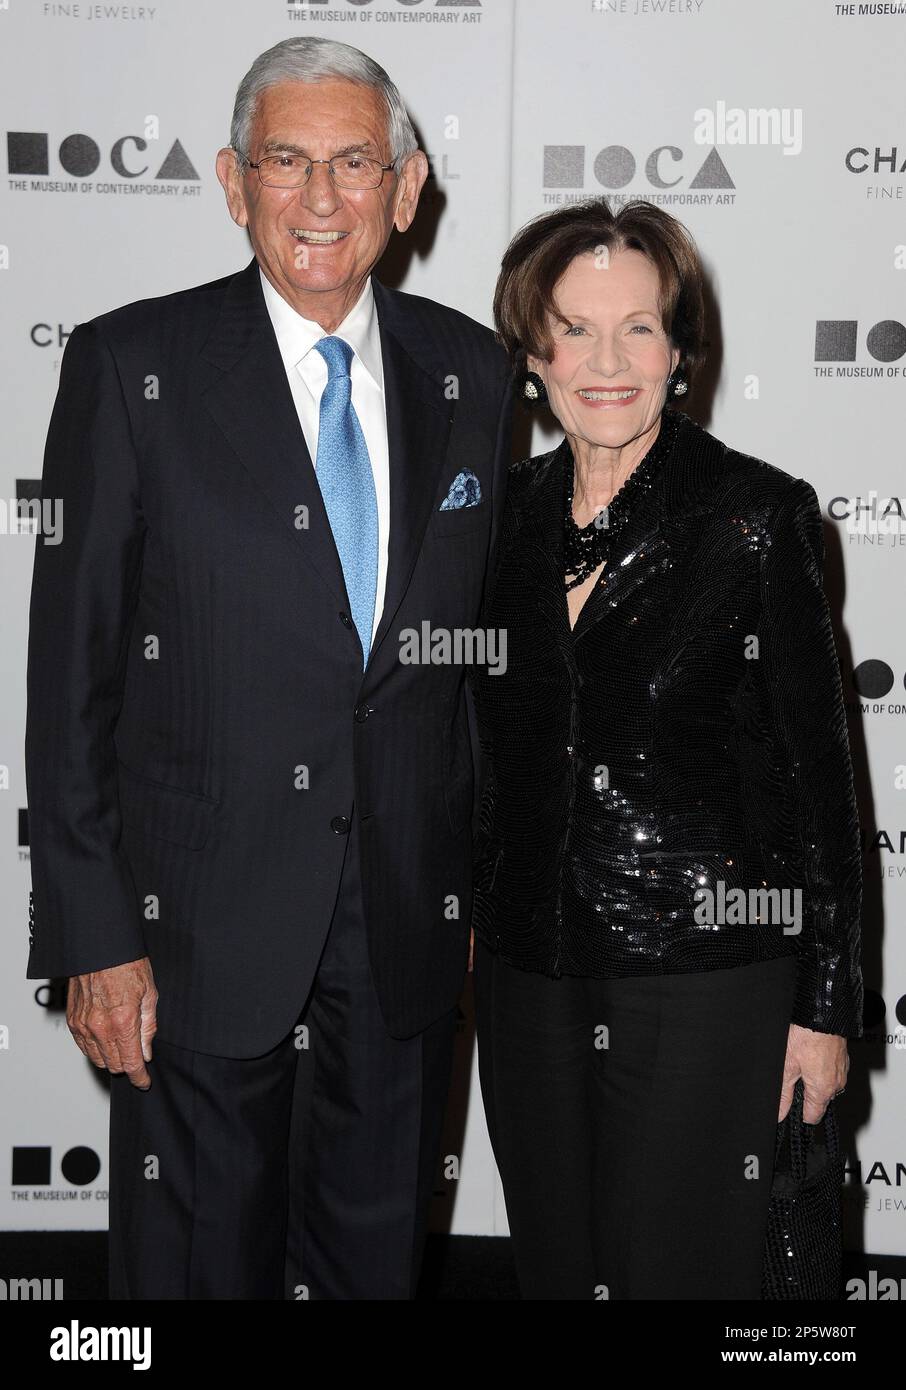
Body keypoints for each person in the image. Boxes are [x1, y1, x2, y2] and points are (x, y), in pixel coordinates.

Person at [25, 36, 512, 1300]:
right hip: (190, 938)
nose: (319, 198)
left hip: (403, 938)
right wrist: (91, 931)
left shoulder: (476, 374)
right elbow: (69, 675)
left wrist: (473, 899)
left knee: (375, 1272)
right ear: (234, 185)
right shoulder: (132, 369)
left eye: (355, 162)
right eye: (286, 161)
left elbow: (473, 679)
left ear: (407, 191)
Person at [470, 196, 863, 1300]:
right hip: (527, 972)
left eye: (638, 327)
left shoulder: (753, 517)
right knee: (559, 1265)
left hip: (707, 974)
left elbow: (821, 780)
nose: (607, 360)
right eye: (574, 328)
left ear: (680, 351)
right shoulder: (497, 523)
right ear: (531, 351)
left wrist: (826, 1007)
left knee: (678, 1272)